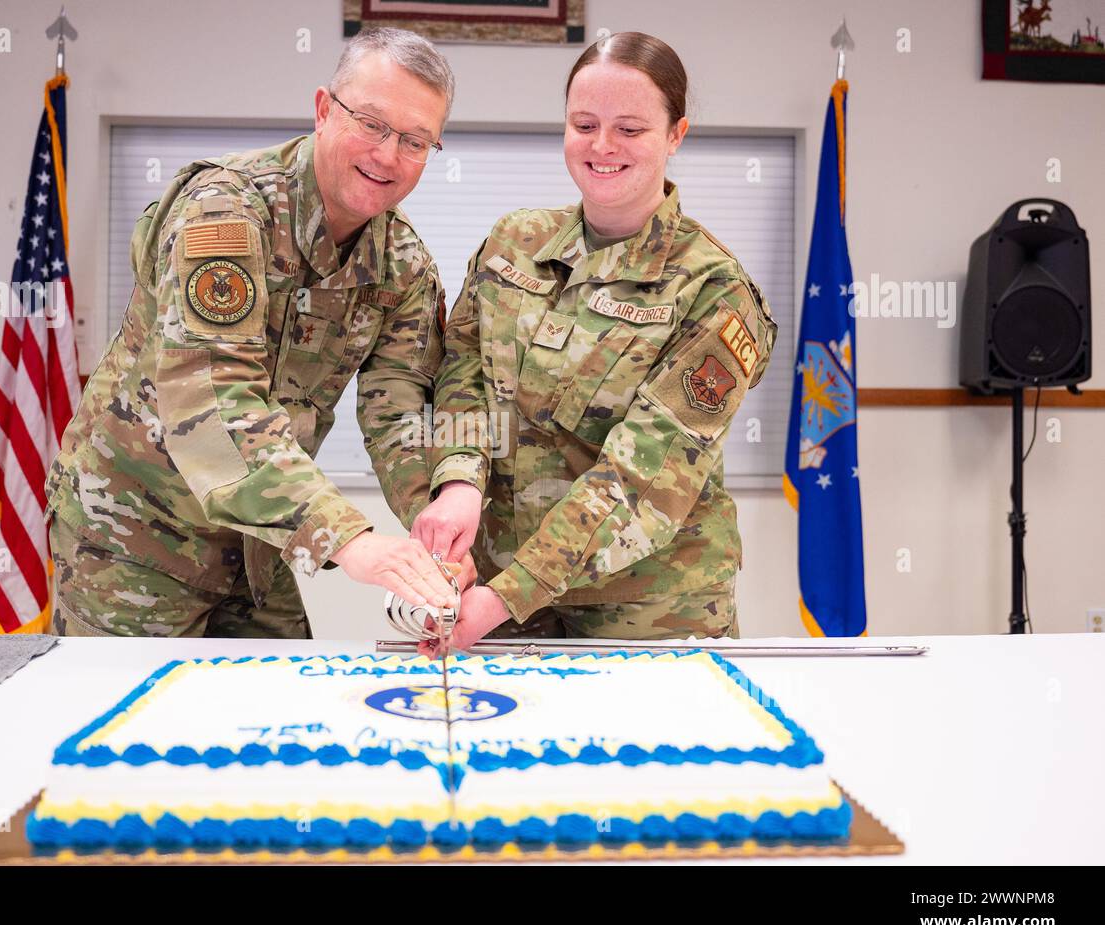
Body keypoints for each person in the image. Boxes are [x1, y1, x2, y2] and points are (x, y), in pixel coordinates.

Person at [46, 28, 480, 637]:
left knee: (285, 710)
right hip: (133, 530)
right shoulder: (227, 211)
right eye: (373, 124)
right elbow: (211, 403)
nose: (387, 155)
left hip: (258, 537)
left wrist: (434, 515)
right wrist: (349, 538)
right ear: (325, 109)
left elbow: (399, 409)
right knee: (127, 722)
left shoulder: (401, 261)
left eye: (415, 141)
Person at [413, 32, 778, 651]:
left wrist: (506, 596)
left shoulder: (714, 289)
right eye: (584, 124)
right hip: (496, 592)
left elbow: (644, 480)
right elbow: (462, 379)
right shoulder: (513, 243)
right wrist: (460, 485)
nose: (602, 146)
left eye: (630, 130)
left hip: (650, 613)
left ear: (676, 135)